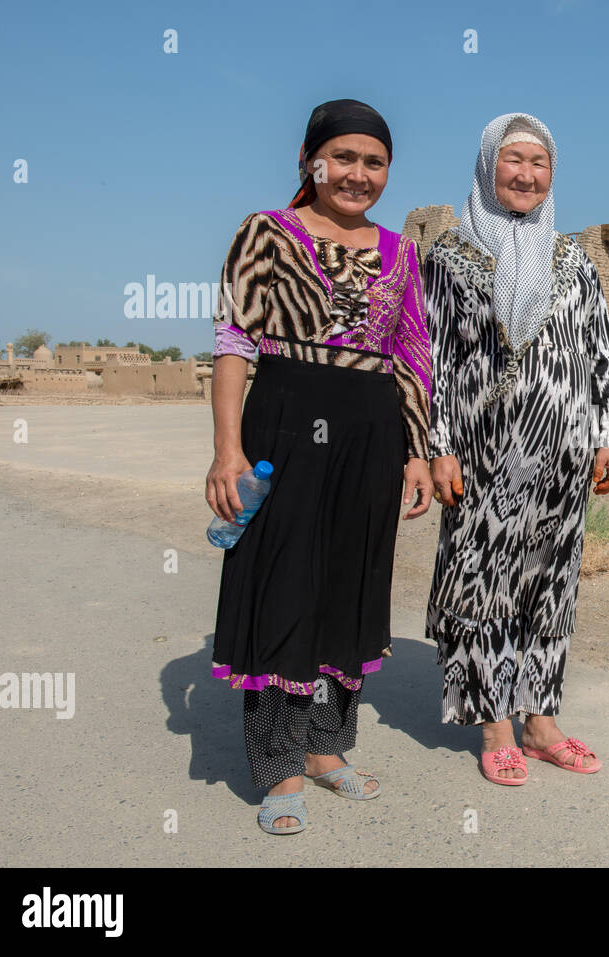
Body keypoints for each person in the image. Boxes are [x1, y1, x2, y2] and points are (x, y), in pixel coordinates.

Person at [206, 99, 432, 833]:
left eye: (373, 162)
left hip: (371, 432)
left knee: (351, 585)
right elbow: (235, 338)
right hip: (286, 419)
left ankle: (330, 747)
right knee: (284, 585)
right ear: (312, 159)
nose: (357, 174)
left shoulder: (401, 252)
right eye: (343, 157)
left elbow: (412, 358)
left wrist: (419, 451)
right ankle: (277, 766)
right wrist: (227, 447)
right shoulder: (266, 232)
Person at [424, 112, 609, 785]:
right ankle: (495, 725)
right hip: (484, 455)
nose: (527, 174)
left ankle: (541, 722)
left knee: (550, 584)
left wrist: (608, 432)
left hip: (564, 453)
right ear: (488, 166)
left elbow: (600, 351)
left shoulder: (573, 261)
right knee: (483, 583)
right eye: (514, 160)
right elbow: (435, 361)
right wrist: (438, 445)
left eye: (539, 163)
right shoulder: (450, 258)